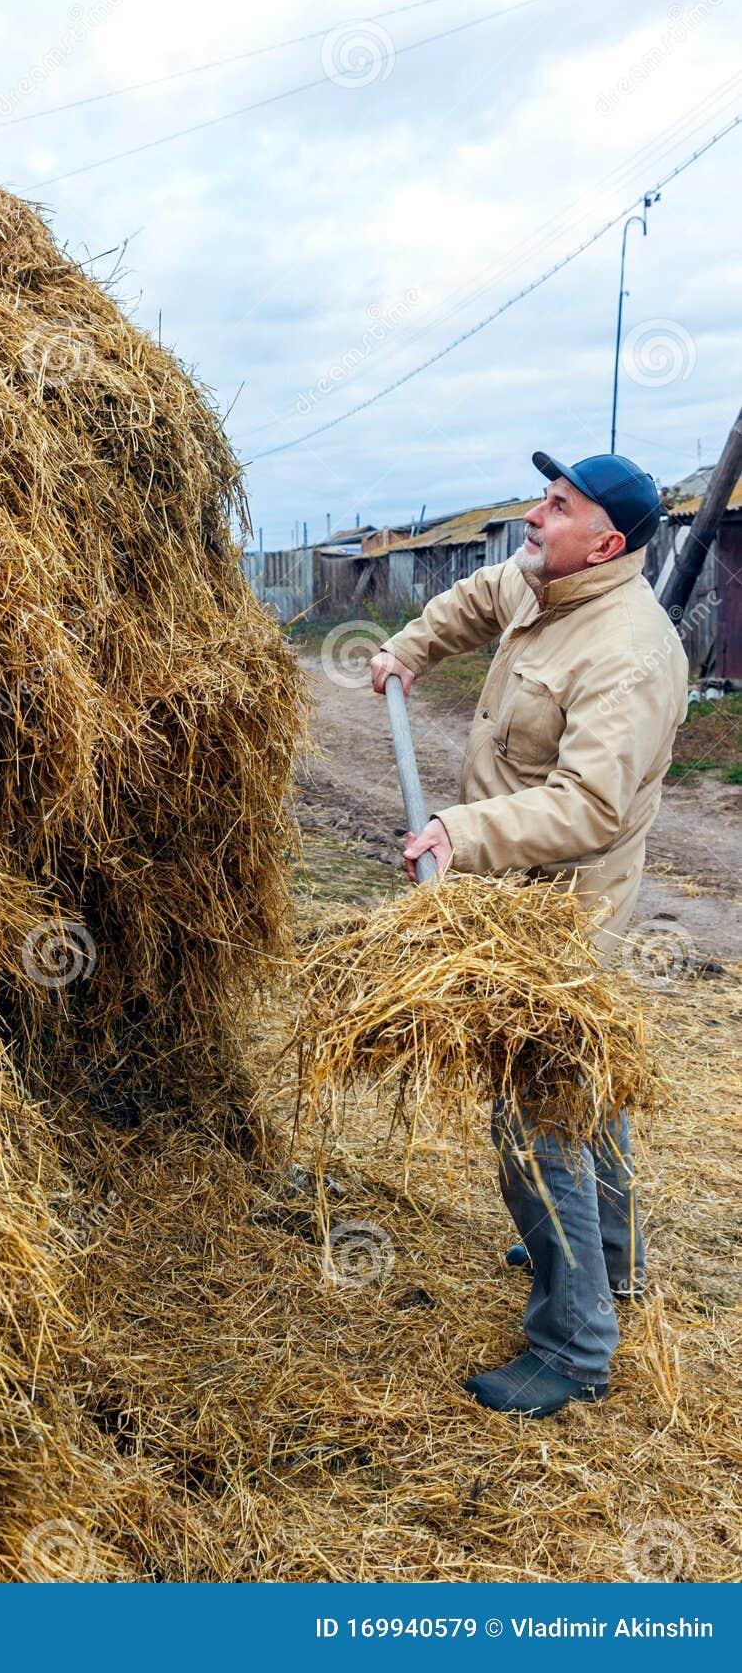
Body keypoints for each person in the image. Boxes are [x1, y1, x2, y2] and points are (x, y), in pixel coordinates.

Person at [370, 450, 688, 1417]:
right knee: (588, 1079)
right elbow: (473, 595)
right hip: (511, 887)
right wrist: (411, 649)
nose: (531, 520)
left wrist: (457, 833)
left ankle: (573, 1345)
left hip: (557, 909)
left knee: (538, 1104)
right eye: (542, 499)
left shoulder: (626, 653)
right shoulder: (545, 582)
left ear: (608, 541)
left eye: (555, 508)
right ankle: (613, 1259)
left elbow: (590, 804)